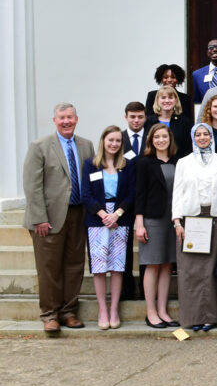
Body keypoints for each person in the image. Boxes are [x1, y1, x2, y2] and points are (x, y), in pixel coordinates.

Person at [23, 103, 95, 333]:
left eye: (70, 117)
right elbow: (32, 186)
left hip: (78, 213)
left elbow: (91, 179)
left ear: (76, 119)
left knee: (74, 265)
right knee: (49, 268)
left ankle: (68, 311)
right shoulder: (40, 146)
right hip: (48, 219)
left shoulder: (86, 145)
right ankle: (50, 314)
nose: (66, 121)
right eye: (62, 117)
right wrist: (39, 218)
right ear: (54, 120)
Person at [171, 122, 217, 332]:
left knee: (209, 270)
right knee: (190, 270)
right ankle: (192, 316)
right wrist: (177, 221)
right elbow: (177, 193)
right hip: (190, 219)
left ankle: (211, 316)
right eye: (198, 134)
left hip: (215, 218)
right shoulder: (183, 163)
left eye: (206, 134)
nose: (203, 137)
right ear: (192, 137)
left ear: (211, 137)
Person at [80, 125, 135, 330]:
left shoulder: (127, 165)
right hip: (97, 220)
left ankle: (114, 309)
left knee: (118, 267)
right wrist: (103, 214)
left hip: (120, 219)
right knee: (100, 267)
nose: (114, 144)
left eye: (118, 141)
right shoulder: (91, 164)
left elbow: (131, 193)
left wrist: (117, 214)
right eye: (110, 140)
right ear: (103, 140)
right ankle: (102, 309)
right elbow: (86, 194)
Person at [134, 123, 179, 328]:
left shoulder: (178, 161)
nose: (161, 140)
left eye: (164, 136)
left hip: (174, 219)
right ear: (151, 141)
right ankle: (151, 312)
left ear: (170, 139)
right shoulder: (144, 163)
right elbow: (139, 195)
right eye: (157, 137)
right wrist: (140, 224)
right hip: (153, 220)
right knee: (152, 265)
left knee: (167, 265)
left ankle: (163, 310)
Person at [120, 101, 148, 300]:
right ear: (126, 117)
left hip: (147, 197)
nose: (136, 120)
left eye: (140, 117)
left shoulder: (152, 136)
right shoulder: (118, 139)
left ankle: (146, 287)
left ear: (145, 117)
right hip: (125, 198)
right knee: (124, 245)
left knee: (147, 243)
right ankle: (126, 288)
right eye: (132, 117)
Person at [145, 85, 193, 160]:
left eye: (170, 98)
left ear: (176, 100)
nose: (167, 101)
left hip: (178, 164)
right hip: (153, 165)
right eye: (163, 98)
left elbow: (188, 148)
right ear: (157, 100)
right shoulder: (149, 121)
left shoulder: (184, 122)